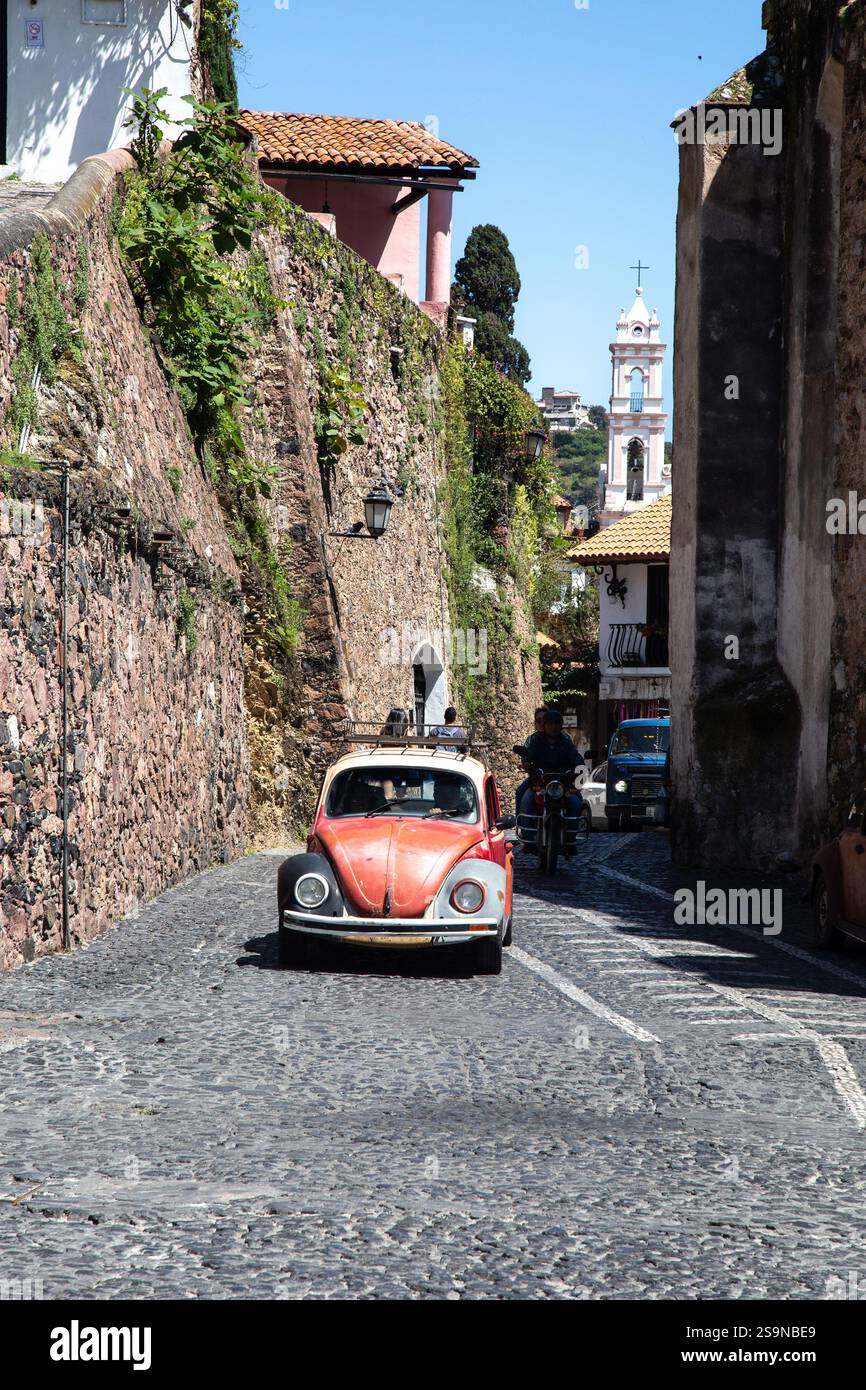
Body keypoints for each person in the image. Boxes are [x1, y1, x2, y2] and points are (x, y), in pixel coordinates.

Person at [519, 707, 585, 845]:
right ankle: (527, 836)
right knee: (525, 799)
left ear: (561, 726)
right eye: (550, 723)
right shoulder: (536, 742)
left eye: (557, 723)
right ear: (545, 725)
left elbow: (576, 757)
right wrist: (528, 764)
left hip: (562, 784)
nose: (553, 727)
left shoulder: (566, 742)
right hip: (540, 783)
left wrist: (579, 768)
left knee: (576, 801)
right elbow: (529, 755)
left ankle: (571, 839)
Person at [515, 706, 550, 817]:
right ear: (535, 723)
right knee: (521, 793)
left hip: (558, 781)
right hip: (537, 780)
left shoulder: (564, 739)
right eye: (539, 721)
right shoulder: (532, 740)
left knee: (576, 799)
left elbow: (573, 755)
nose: (542, 724)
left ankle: (573, 829)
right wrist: (526, 764)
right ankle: (522, 825)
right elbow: (526, 756)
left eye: (545, 720)